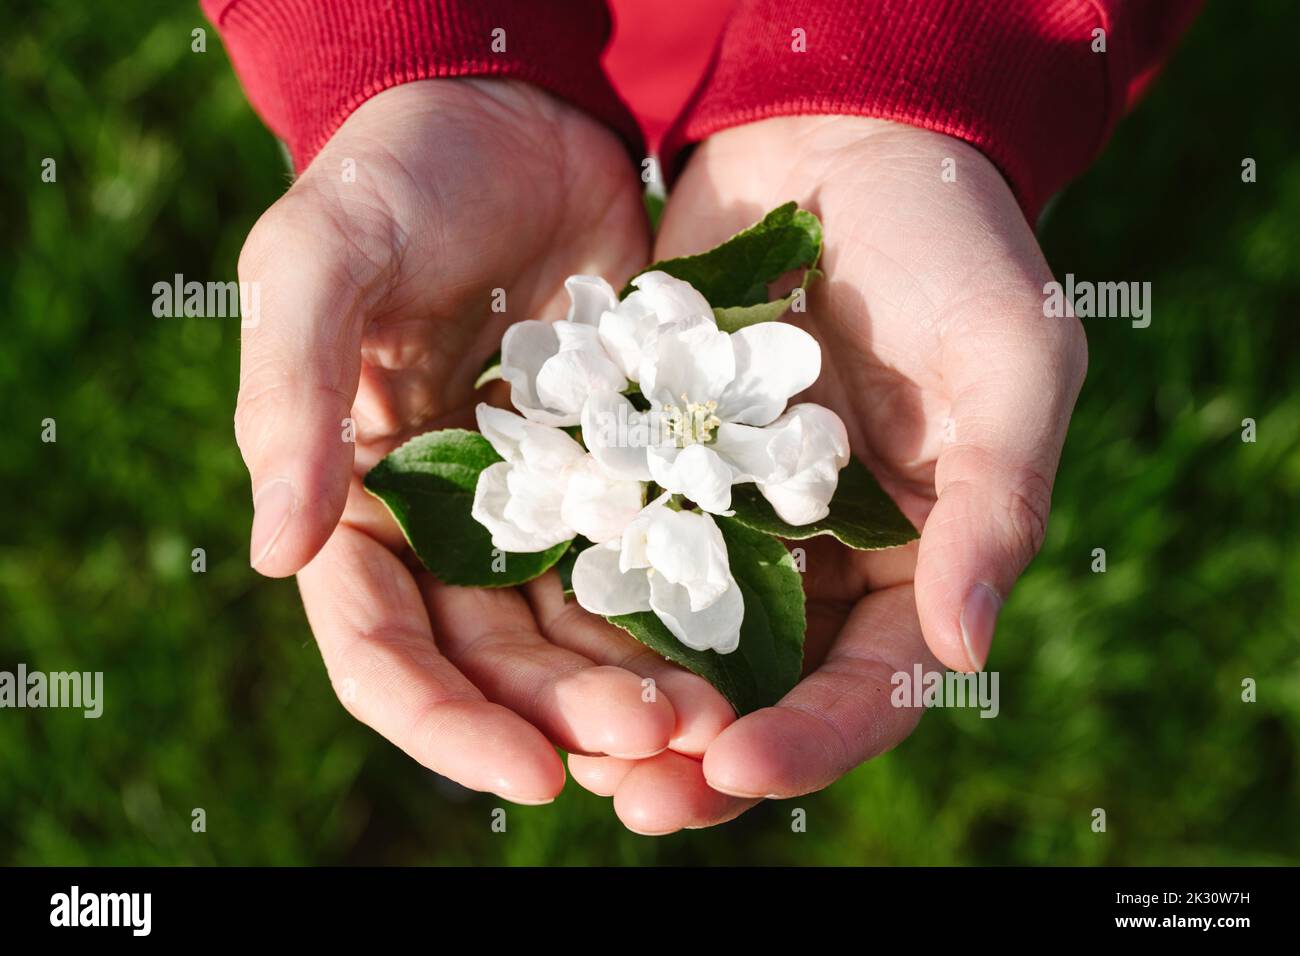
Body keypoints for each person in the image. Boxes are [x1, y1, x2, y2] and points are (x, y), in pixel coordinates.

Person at [204, 0, 1201, 834]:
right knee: (505, 690)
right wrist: (401, 46)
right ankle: (515, 727)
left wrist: (942, 59)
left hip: (900, 63)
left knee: (974, 234)